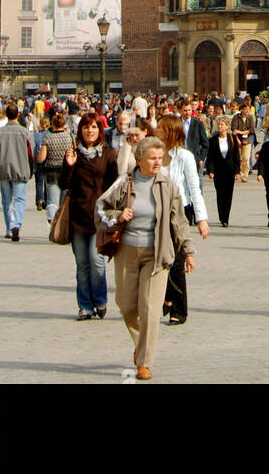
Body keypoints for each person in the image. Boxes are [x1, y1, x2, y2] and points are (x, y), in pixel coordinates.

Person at [96, 136, 195, 380]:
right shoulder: (124, 183)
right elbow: (100, 209)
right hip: (127, 251)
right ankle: (142, 344)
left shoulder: (167, 185)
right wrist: (118, 215)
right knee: (127, 305)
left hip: (157, 253)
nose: (157, 163)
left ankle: (143, 362)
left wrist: (189, 251)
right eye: (152, 158)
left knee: (150, 309)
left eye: (160, 159)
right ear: (139, 160)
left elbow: (179, 220)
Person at [58, 112, 119, 319]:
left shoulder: (108, 155)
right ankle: (84, 305)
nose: (89, 131)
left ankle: (100, 300)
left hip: (99, 218)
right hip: (78, 216)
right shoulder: (74, 154)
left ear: (100, 131)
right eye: (86, 127)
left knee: (96, 261)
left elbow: (114, 186)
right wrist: (69, 165)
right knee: (82, 264)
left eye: (93, 127)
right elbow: (63, 184)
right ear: (80, 131)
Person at [154, 115, 209, 324]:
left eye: (160, 128)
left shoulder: (184, 156)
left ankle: (179, 310)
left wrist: (202, 218)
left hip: (179, 211)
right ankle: (166, 297)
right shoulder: (156, 155)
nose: (156, 130)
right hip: (158, 209)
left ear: (170, 132)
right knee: (158, 256)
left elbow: (195, 188)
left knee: (176, 261)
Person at [0, 102, 33, 241]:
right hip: (21, 170)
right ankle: (16, 224)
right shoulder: (25, 133)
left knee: (7, 200)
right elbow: (30, 155)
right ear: (18, 115)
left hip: (4, 170)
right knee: (19, 199)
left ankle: (9, 229)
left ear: (6, 115)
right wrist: (31, 170)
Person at [35, 110, 75, 224]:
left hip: (51, 172)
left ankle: (53, 222)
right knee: (64, 201)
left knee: (52, 201)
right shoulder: (70, 137)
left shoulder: (48, 138)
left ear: (52, 125)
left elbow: (41, 158)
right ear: (64, 124)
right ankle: (62, 223)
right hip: (67, 172)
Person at [205, 116, 240, 226]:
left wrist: (237, 171)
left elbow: (236, 156)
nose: (220, 126)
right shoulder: (213, 140)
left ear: (227, 126)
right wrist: (210, 170)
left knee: (228, 194)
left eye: (222, 125)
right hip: (218, 171)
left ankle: (226, 218)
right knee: (220, 194)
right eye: (218, 124)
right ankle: (221, 217)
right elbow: (210, 157)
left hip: (230, 170)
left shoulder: (232, 138)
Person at [180, 101, 209, 175]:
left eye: (189, 110)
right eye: (185, 110)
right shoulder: (176, 122)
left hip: (194, 158)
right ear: (181, 110)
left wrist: (201, 158)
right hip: (179, 156)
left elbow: (205, 143)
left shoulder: (198, 124)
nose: (187, 113)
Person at [231, 97, 256, 181]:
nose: (247, 111)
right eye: (245, 109)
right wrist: (237, 138)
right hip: (237, 140)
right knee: (237, 158)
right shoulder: (236, 117)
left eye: (248, 109)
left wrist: (242, 132)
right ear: (241, 110)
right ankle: (237, 173)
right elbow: (233, 128)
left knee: (246, 158)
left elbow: (252, 129)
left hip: (247, 140)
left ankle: (244, 176)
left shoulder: (250, 117)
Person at [32, 115, 50, 212]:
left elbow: (34, 149)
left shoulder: (36, 136)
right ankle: (46, 201)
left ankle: (39, 200)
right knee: (47, 182)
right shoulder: (50, 134)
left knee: (39, 182)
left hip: (39, 160)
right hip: (48, 161)